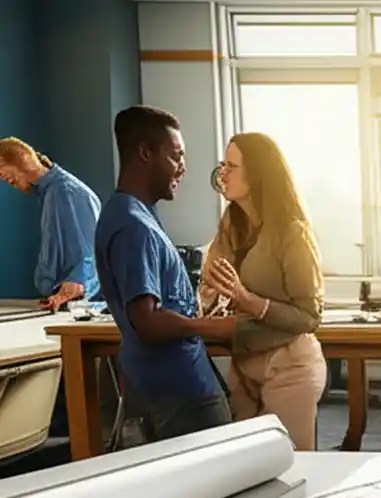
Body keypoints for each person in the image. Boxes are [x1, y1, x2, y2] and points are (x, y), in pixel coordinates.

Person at [95, 105, 234, 441]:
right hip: (182, 393)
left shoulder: (136, 214)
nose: (183, 167)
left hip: (166, 384)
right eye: (176, 156)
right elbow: (148, 321)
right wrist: (214, 327)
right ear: (145, 153)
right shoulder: (133, 227)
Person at [198, 133, 327, 450]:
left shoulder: (292, 231)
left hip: (289, 367)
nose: (222, 174)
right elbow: (210, 284)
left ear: (257, 173)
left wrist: (248, 301)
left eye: (231, 166)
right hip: (245, 365)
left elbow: (309, 317)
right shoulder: (233, 224)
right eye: (222, 165)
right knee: (245, 471)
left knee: (289, 466)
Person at [0, 137, 101, 310]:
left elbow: (88, 251)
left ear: (21, 159)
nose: (1, 177)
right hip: (63, 301)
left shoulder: (66, 193)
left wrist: (69, 290)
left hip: (76, 304)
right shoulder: (51, 194)